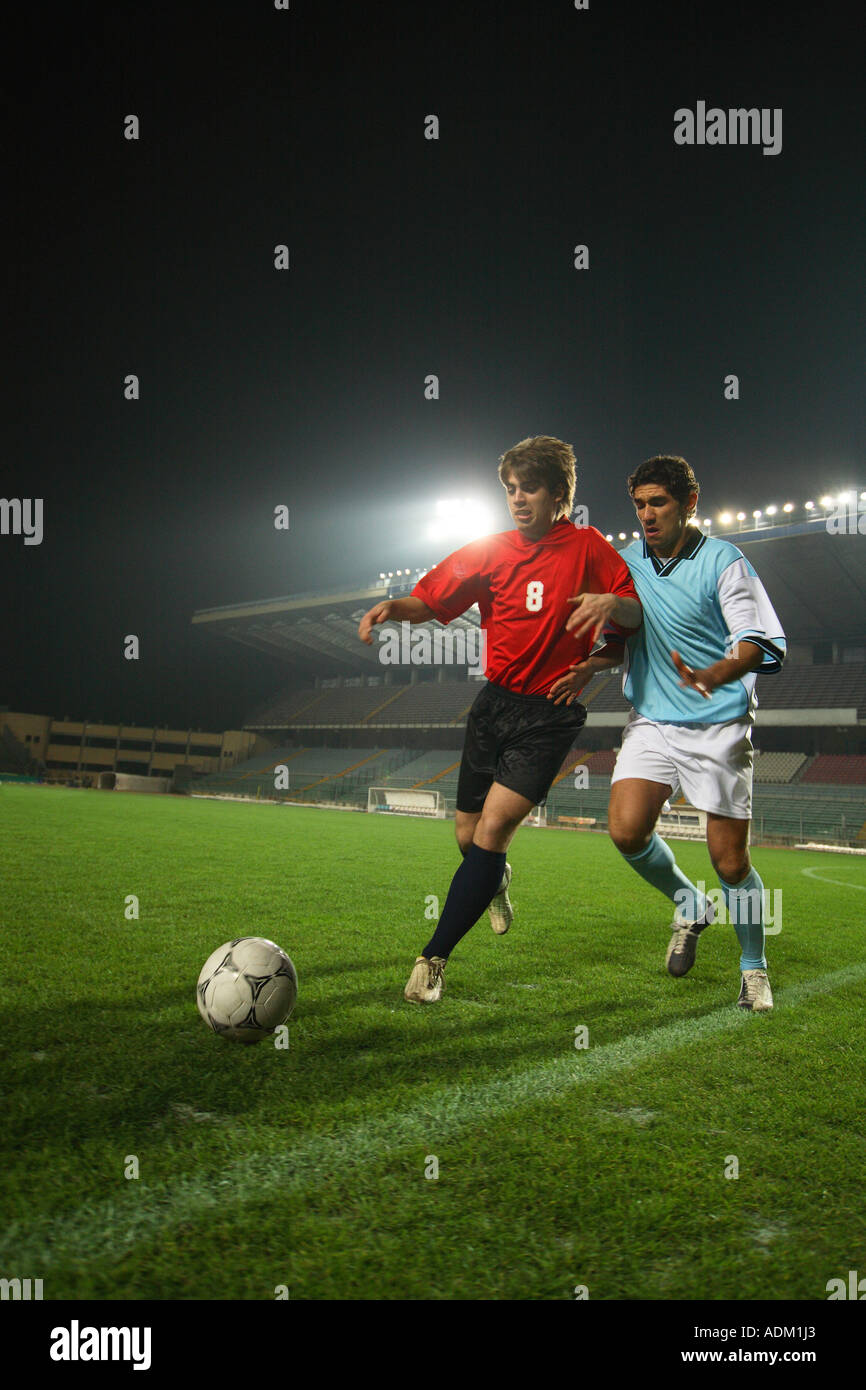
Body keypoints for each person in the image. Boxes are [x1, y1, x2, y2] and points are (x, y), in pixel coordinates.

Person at [358, 435, 642, 1002]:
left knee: (490, 832)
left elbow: (633, 621)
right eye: (510, 488)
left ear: (559, 493)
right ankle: (495, 877)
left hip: (550, 714)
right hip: (494, 705)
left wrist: (605, 625)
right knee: (468, 838)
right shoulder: (488, 549)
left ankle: (433, 959)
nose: (517, 497)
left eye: (529, 487)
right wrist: (394, 608)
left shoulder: (589, 548)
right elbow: (432, 602)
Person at [556, 455, 785, 1011]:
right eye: (639, 504)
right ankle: (689, 904)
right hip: (653, 720)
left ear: (689, 504)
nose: (647, 514)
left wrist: (716, 673)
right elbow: (624, 633)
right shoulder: (627, 561)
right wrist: (593, 663)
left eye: (658, 502)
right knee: (627, 831)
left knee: (730, 863)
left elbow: (755, 643)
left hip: (719, 723)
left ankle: (753, 968)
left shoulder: (725, 562)